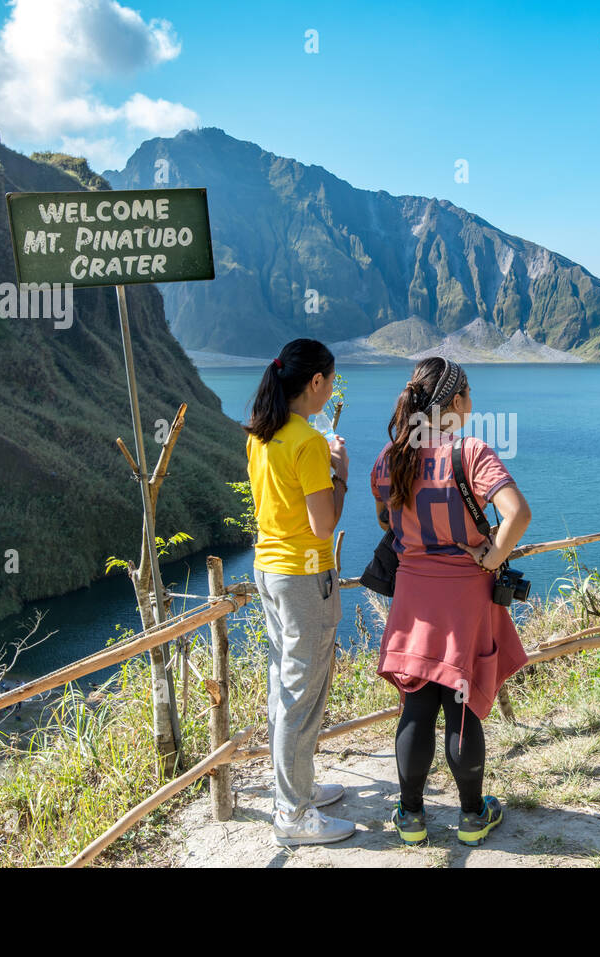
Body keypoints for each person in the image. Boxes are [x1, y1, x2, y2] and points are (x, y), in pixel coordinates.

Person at [371, 357, 531, 847]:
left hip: (413, 594)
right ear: (457, 401)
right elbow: (517, 513)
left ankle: (412, 818)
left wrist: (423, 548)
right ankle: (471, 816)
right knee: (460, 706)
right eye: (470, 394)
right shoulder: (472, 453)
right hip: (465, 597)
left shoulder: (390, 457)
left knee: (416, 706)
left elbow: (386, 522)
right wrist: (490, 556)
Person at [245, 337, 355, 847]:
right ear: (314, 382)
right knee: (301, 693)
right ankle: (292, 813)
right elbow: (322, 524)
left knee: (284, 686)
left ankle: (296, 789)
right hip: (304, 577)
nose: (330, 390)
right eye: (328, 381)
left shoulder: (262, 435)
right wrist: (340, 474)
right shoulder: (308, 443)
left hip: (271, 571)